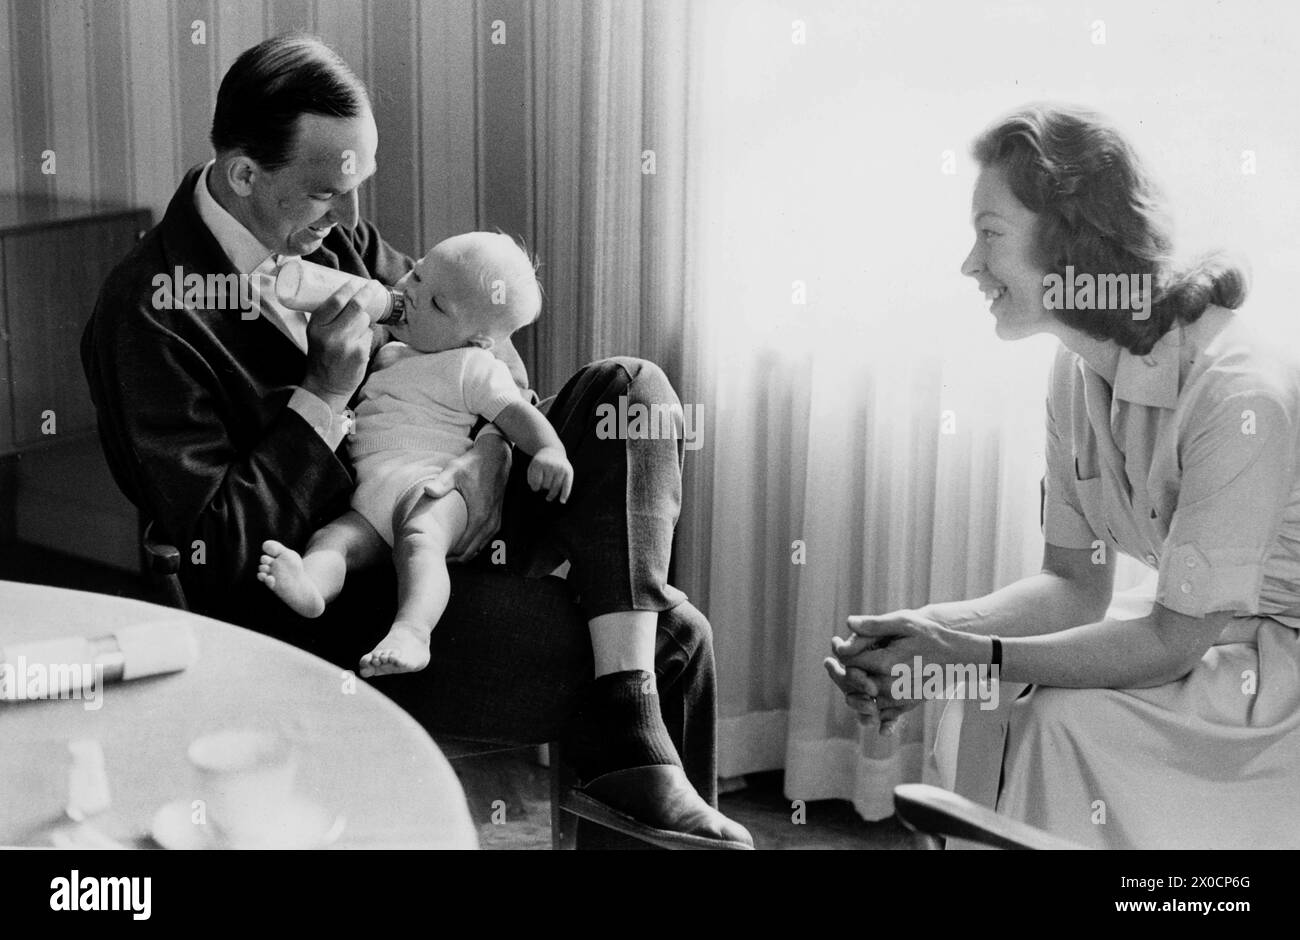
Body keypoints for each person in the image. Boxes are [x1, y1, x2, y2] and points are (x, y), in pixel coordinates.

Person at [81, 34, 752, 850]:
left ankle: (631, 735)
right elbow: (217, 549)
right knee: (675, 642)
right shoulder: (148, 316)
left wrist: (493, 459)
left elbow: (479, 347)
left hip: (454, 513)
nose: (354, 225)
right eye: (328, 194)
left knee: (631, 390)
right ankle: (633, 743)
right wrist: (322, 396)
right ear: (245, 173)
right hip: (328, 600)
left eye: (361, 188)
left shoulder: (337, 242)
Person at [825, 103, 1300, 849]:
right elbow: (1076, 584)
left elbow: (1174, 642)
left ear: (1070, 245)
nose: (970, 265)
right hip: (1211, 633)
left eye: (990, 235)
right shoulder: (1074, 370)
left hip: (1279, 668)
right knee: (985, 694)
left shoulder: (1238, 393)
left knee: (1059, 718)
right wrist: (925, 635)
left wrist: (958, 653)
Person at [258, 231, 575, 679]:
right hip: (371, 495)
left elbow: (516, 414)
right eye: (416, 272)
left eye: (438, 305)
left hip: (431, 484)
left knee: (420, 541)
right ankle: (310, 585)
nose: (409, 292)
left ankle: (411, 631)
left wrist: (548, 449)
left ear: (481, 340)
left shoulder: (474, 367)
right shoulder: (388, 355)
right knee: (335, 541)